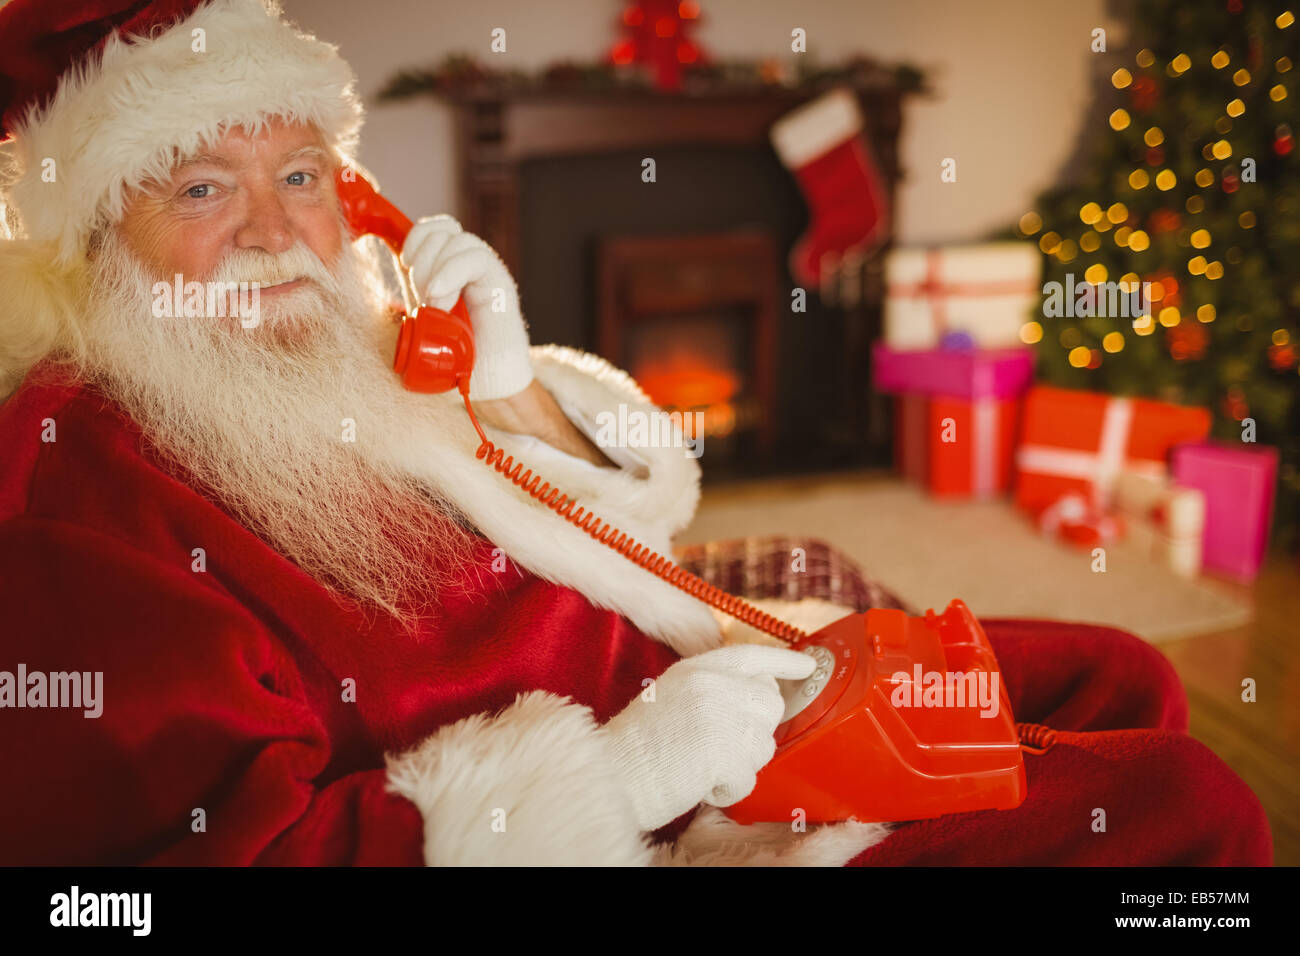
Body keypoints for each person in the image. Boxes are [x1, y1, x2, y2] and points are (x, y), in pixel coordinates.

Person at [0, 0, 1271, 867]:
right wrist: (634, 773)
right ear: (99, 241)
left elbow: (634, 527)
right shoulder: (78, 483)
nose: (279, 231)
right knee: (1187, 803)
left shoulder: (339, 348)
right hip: (645, 814)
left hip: (698, 666)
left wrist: (511, 391)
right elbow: (235, 850)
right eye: (203, 186)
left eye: (300, 175)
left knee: (1118, 669)